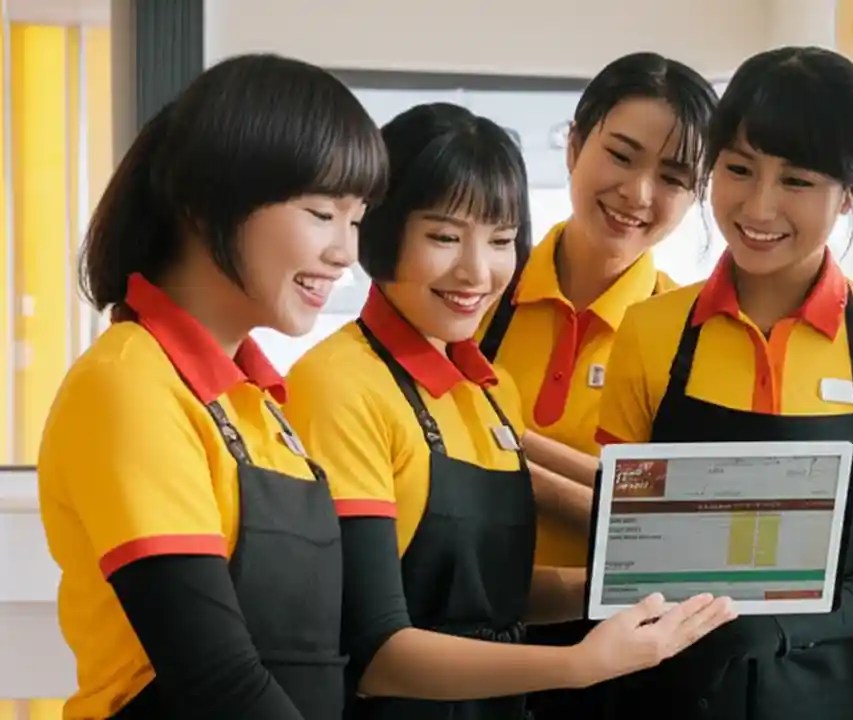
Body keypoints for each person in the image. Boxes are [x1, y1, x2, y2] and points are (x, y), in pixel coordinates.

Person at [36, 56, 733, 720]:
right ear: (206, 204)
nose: (343, 251)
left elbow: (340, 624)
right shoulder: (132, 385)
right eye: (321, 214)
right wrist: (579, 661)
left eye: (353, 219)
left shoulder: (261, 404)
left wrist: (625, 594)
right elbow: (223, 676)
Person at [284, 102, 733, 720]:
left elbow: (494, 596)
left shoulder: (490, 391)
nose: (477, 271)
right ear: (381, 231)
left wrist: (632, 595)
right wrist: (578, 665)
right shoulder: (338, 384)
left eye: (499, 241)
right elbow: (377, 648)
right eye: (444, 237)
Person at [595, 46, 853, 719]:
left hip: (828, 695)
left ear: (850, 193)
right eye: (738, 169)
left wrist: (783, 626)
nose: (758, 206)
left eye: (797, 181)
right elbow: (621, 550)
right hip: (660, 695)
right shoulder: (650, 331)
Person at [473, 51, 718, 717]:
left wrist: (495, 449)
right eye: (621, 154)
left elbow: (684, 528)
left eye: (673, 176)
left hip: (621, 656)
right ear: (576, 143)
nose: (638, 193)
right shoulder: (475, 293)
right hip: (460, 639)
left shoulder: (690, 336)